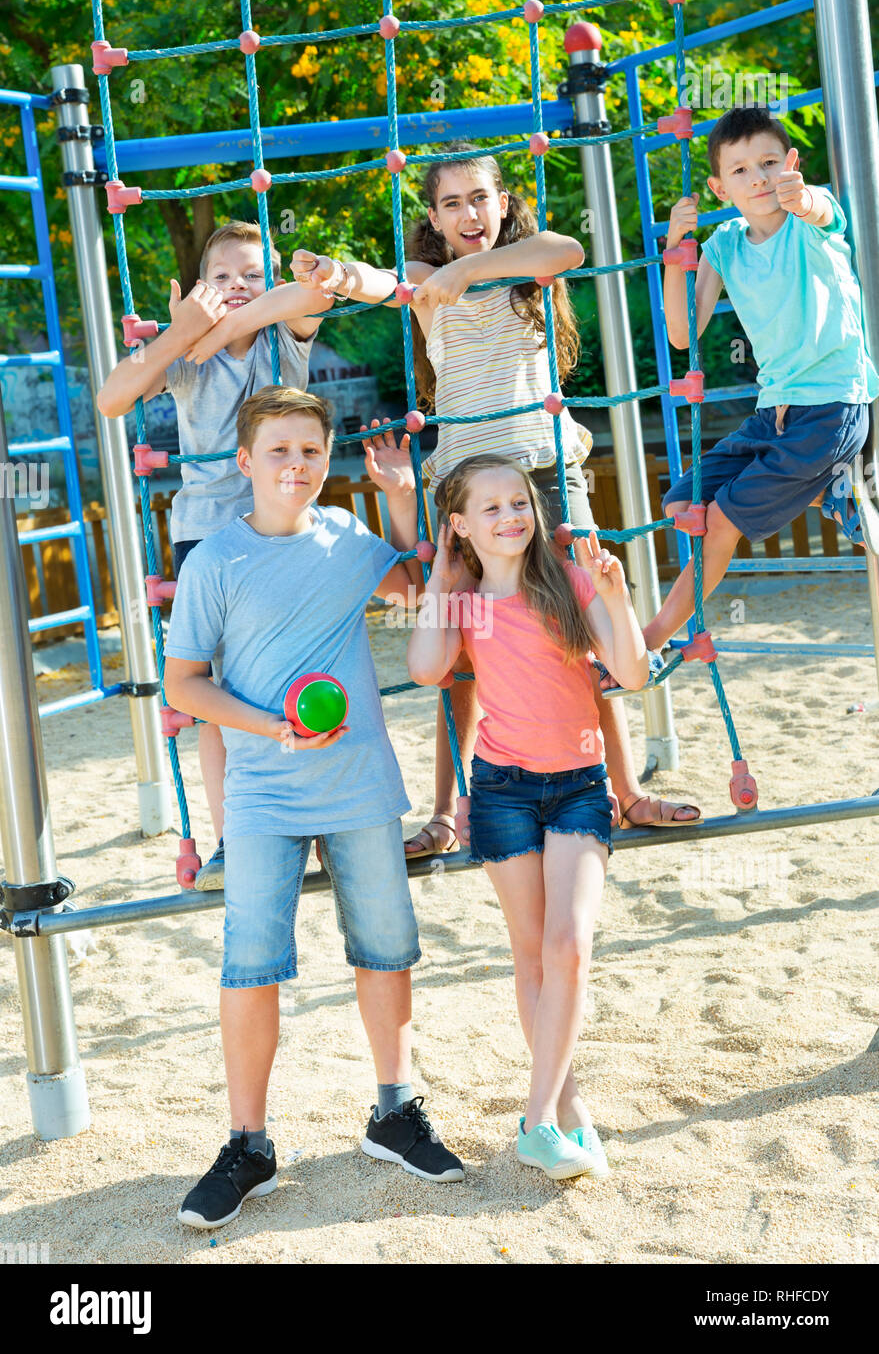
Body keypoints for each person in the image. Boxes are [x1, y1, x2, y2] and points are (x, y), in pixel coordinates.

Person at [308, 146, 699, 853]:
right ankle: (446, 810)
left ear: (502, 202)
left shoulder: (526, 268)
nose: (467, 214)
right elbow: (384, 282)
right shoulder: (427, 278)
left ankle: (621, 791)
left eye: (480, 198)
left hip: (545, 473)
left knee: (575, 636)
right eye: (451, 203)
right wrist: (339, 275)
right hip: (465, 482)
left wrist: (469, 269)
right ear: (432, 216)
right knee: (462, 645)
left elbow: (569, 247)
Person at [163, 385, 464, 1229]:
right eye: (279, 451)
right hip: (261, 793)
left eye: (310, 451)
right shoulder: (214, 561)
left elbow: (415, 588)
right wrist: (272, 726)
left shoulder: (347, 538)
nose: (296, 465)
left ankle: (393, 1113)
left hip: (360, 783)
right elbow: (185, 683)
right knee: (250, 965)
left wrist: (401, 499)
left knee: (386, 950)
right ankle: (248, 1144)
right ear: (245, 461)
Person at [98, 221, 394, 890]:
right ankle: (232, 838)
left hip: (285, 531)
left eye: (251, 275)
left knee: (298, 674)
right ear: (200, 286)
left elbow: (309, 298)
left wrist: (224, 325)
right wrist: (180, 336)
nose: (238, 286)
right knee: (218, 697)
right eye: (222, 277)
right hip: (209, 536)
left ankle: (323, 818)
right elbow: (113, 398)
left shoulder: (279, 346)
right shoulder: (183, 357)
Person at [408, 453, 648, 1179]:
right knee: (531, 957)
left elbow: (632, 674)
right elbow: (425, 669)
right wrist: (441, 583)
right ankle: (565, 1110)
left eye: (519, 503)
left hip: (577, 785)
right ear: (458, 526)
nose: (511, 517)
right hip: (503, 791)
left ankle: (535, 1118)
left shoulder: (569, 583)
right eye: (490, 508)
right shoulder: (464, 598)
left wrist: (615, 596)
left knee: (568, 946)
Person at [648, 105, 879, 653]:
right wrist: (675, 254)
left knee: (722, 521)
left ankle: (653, 636)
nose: (759, 178)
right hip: (772, 413)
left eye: (770, 162)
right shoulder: (724, 244)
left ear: (789, 166)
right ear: (719, 186)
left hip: (830, 409)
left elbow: (824, 210)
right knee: (683, 506)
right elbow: (683, 334)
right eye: (741, 170)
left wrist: (807, 199)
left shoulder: (809, 221)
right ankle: (832, 485)